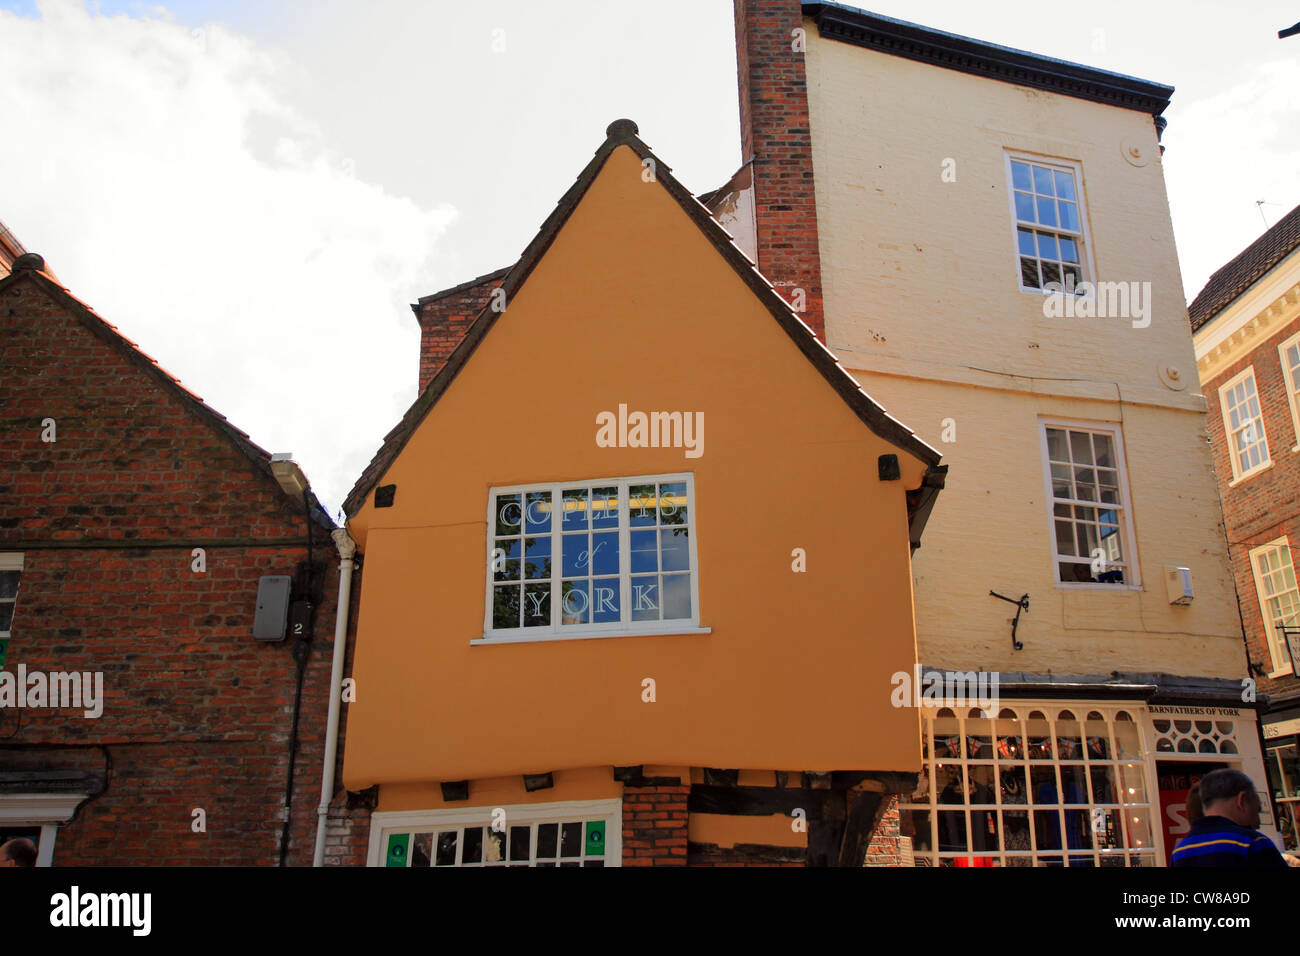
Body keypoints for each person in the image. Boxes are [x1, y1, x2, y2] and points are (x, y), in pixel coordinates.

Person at [1170, 769, 1288, 868]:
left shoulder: (1180, 851)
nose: (1257, 821)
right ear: (1242, 800)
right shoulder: (1252, 843)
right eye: (1257, 809)